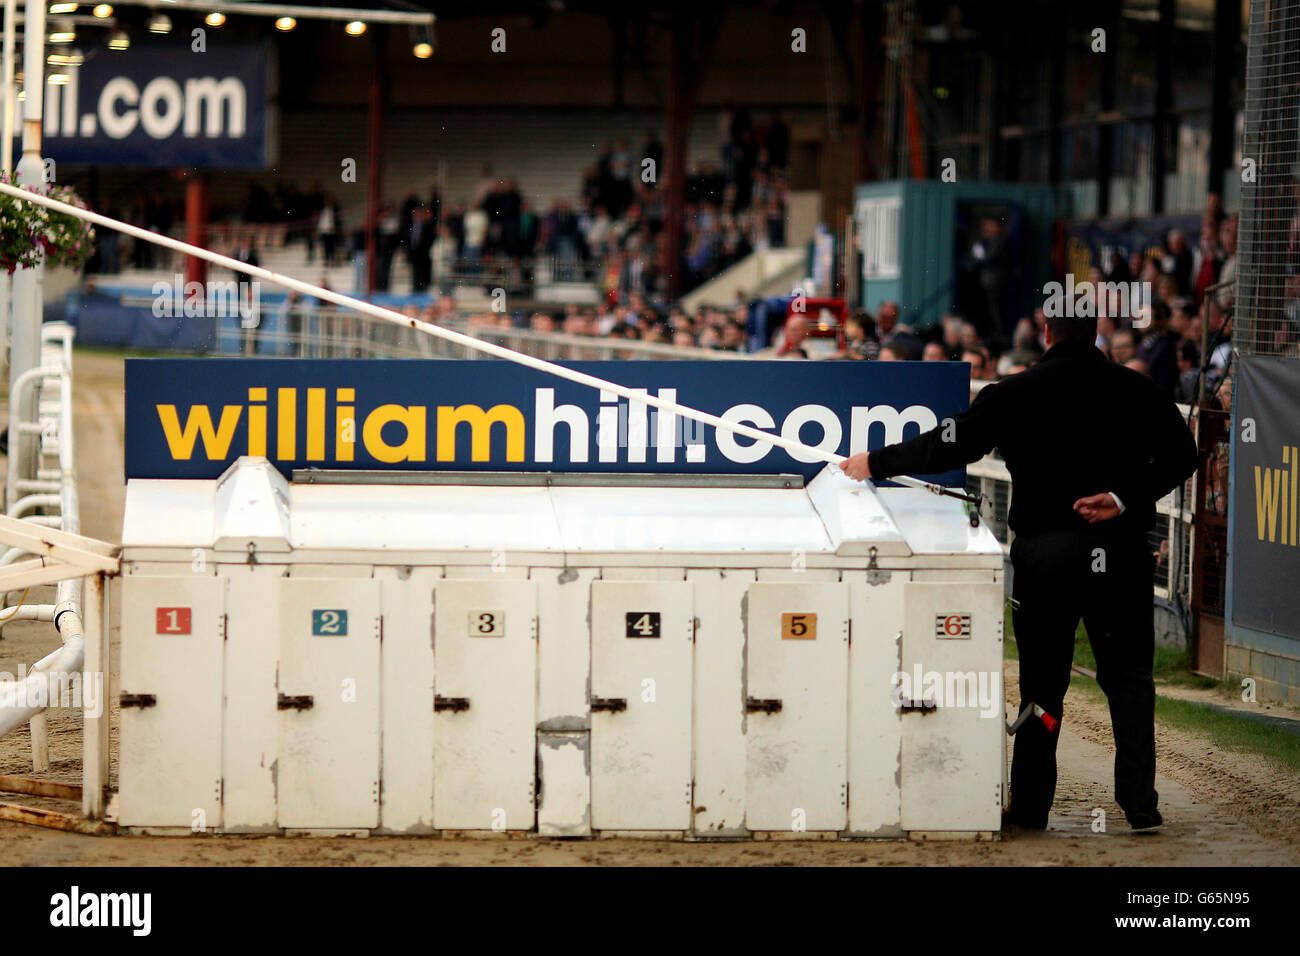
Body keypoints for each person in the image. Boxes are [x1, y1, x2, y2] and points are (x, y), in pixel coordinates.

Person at [841, 311, 1198, 833]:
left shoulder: (1016, 391)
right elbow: (1183, 455)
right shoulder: (1136, 389)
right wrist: (1122, 499)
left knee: (1042, 688)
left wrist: (874, 462)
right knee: (1129, 682)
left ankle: (1031, 807)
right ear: (1096, 333)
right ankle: (1139, 802)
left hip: (1045, 556)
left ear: (1047, 334)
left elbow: (949, 443)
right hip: (1120, 553)